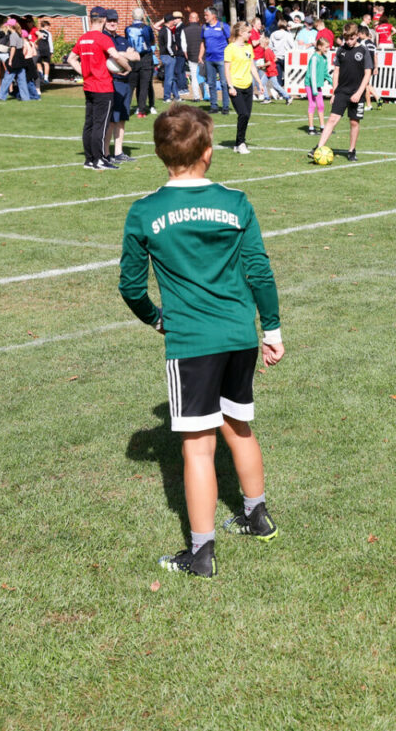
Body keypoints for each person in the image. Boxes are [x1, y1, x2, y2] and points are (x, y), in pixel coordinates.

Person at [119, 104, 285, 578]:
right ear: (208, 153)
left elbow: (131, 287)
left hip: (192, 342)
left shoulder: (145, 211)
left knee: (197, 447)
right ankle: (256, 516)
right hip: (239, 335)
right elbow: (259, 270)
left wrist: (157, 320)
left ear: (159, 154)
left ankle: (201, 553)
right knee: (239, 426)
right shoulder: (235, 202)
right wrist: (271, 329)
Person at [71, 9, 126, 170]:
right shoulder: (103, 38)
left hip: (89, 86)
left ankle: (89, 159)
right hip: (102, 87)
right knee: (100, 125)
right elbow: (115, 56)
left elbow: (71, 59)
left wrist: (84, 72)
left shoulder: (83, 38)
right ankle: (99, 159)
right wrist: (126, 66)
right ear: (103, 20)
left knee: (89, 123)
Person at [309, 23, 371, 162]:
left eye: (351, 38)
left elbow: (368, 73)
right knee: (332, 119)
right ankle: (318, 148)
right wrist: (334, 92)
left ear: (357, 36)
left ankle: (351, 151)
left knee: (354, 122)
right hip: (342, 91)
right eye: (346, 38)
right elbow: (336, 72)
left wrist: (359, 92)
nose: (348, 41)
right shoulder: (341, 51)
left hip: (357, 93)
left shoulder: (363, 50)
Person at [106, 13, 141, 162]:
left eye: (115, 21)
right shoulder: (103, 39)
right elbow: (109, 57)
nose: (113, 23)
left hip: (125, 82)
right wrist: (124, 54)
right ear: (104, 22)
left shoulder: (122, 40)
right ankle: (106, 153)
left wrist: (120, 55)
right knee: (112, 119)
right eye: (110, 21)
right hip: (111, 82)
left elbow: (137, 56)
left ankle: (119, 152)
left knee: (122, 118)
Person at [224, 21, 256, 154]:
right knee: (242, 113)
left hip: (248, 85)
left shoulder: (249, 47)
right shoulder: (230, 48)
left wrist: (259, 83)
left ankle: (239, 142)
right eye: (248, 32)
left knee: (246, 115)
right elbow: (227, 70)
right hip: (235, 86)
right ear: (241, 33)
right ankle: (240, 143)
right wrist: (230, 86)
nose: (250, 34)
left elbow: (252, 66)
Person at [126, 8, 157, 117]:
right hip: (145, 58)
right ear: (142, 16)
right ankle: (141, 110)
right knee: (144, 85)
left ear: (132, 16)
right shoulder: (146, 28)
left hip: (132, 58)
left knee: (131, 85)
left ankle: (126, 109)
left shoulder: (128, 29)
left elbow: (127, 42)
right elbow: (152, 41)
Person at [200, 7, 229, 113]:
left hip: (222, 59)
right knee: (211, 83)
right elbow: (203, 42)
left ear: (214, 16)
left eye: (206, 15)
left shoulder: (223, 26)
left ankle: (225, 106)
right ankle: (214, 106)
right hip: (209, 59)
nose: (205, 17)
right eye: (204, 15)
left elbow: (230, 41)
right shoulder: (204, 27)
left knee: (224, 83)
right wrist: (200, 55)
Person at [157, 12, 187, 103]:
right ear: (169, 21)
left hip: (164, 56)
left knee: (172, 77)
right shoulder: (167, 31)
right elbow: (169, 46)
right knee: (169, 78)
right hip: (168, 56)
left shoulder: (162, 30)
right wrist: (173, 54)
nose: (174, 21)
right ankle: (166, 97)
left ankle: (176, 96)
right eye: (173, 20)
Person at [305, 37, 332, 134]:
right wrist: (314, 89)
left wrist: (332, 82)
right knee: (312, 105)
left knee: (321, 105)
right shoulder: (315, 58)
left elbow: (325, 73)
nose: (327, 49)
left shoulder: (324, 58)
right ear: (319, 47)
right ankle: (311, 128)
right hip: (310, 85)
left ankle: (322, 127)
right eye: (326, 47)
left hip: (318, 85)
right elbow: (312, 74)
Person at [182, 10, 204, 102]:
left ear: (189, 19)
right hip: (203, 56)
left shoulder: (185, 30)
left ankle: (196, 97)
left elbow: (184, 45)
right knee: (205, 76)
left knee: (194, 77)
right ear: (198, 19)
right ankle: (207, 95)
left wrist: (186, 55)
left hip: (191, 55)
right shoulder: (203, 29)